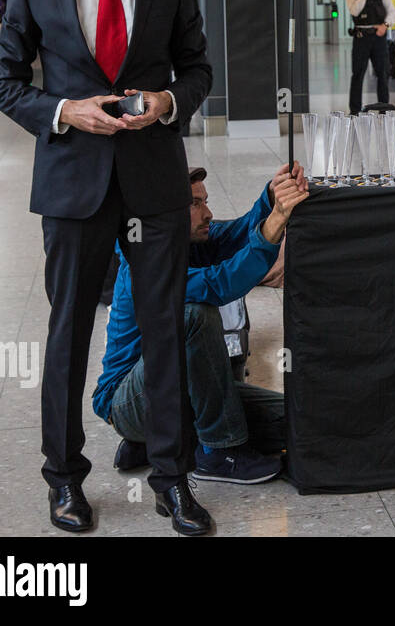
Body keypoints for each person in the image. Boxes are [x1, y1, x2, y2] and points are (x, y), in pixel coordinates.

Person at [0, 0, 214, 534]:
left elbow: (198, 66)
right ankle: (64, 481)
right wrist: (64, 112)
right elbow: (5, 83)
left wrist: (172, 100)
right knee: (67, 331)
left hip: (153, 179)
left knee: (164, 326)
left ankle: (173, 480)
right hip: (72, 181)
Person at [94, 163, 308, 488]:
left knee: (293, 419)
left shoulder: (188, 242)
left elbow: (237, 233)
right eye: (195, 204)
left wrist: (270, 195)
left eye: (204, 201)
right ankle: (221, 453)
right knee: (194, 314)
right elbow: (219, 284)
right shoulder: (145, 266)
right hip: (127, 400)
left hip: (181, 389)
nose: (207, 213)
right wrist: (277, 221)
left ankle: (164, 439)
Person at [346, 0, 390, 112]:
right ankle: (354, 110)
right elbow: (354, 11)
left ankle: (384, 109)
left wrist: (386, 25)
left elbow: (392, 12)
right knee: (357, 74)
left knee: (382, 73)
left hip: (378, 36)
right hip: (361, 37)